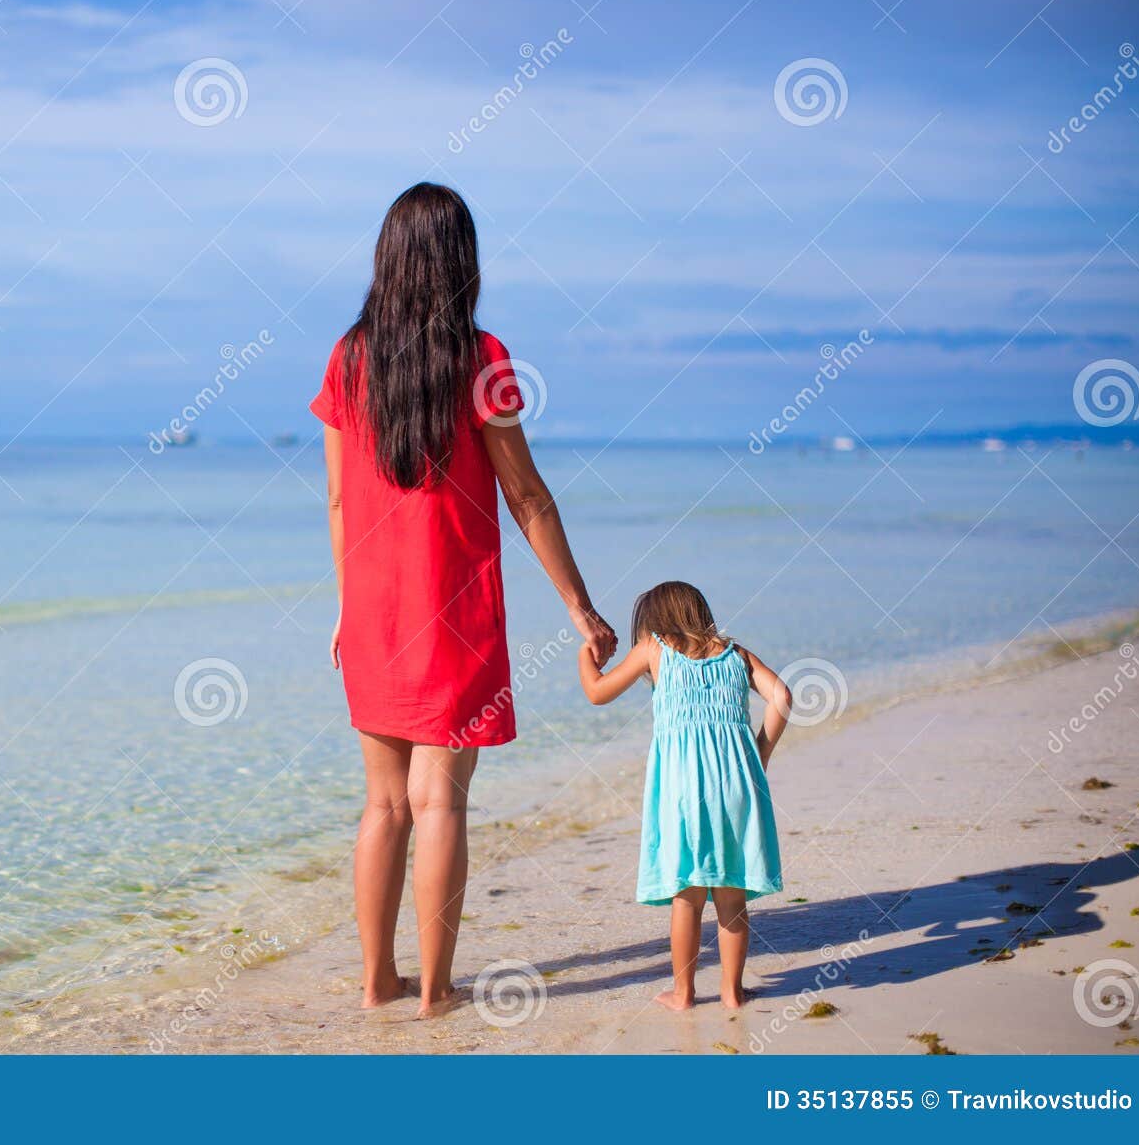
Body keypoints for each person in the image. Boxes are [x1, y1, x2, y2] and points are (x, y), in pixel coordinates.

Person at [313, 181, 616, 1016]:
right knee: (439, 796)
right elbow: (527, 496)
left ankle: (378, 981)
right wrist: (578, 604)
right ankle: (436, 989)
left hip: (372, 610)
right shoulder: (480, 358)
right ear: (460, 263)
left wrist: (345, 605)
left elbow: (339, 502)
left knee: (381, 803)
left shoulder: (348, 358)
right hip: (452, 610)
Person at [578, 581, 789, 1009]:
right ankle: (732, 993)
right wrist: (760, 752)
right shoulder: (736, 654)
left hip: (683, 793)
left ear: (654, 623)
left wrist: (585, 654)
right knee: (732, 892)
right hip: (737, 785)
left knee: (687, 893)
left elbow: (597, 693)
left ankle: (684, 992)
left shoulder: (655, 649)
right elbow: (782, 696)